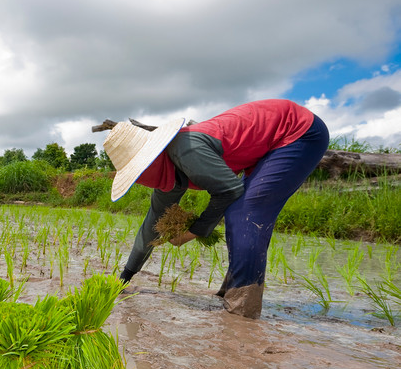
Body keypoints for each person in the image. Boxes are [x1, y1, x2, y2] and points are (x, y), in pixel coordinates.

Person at [103, 99, 329, 319]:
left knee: (244, 212)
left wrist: (193, 232)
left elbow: (229, 190)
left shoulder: (185, 150)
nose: (141, 180)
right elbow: (149, 229)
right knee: (242, 213)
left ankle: (242, 312)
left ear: (152, 159)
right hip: (267, 146)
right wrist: (125, 278)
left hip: (298, 132)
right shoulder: (167, 179)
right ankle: (231, 292)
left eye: (139, 173)